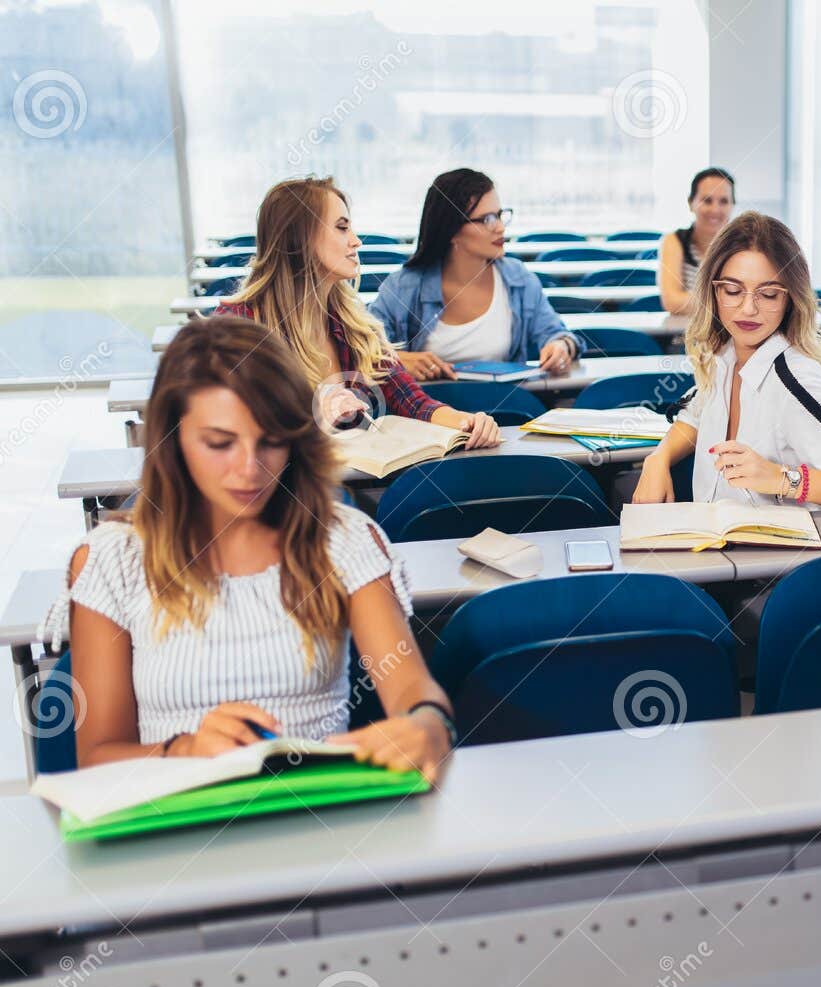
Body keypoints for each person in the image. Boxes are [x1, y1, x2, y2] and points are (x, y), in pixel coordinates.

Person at [41, 316, 456, 777]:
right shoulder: (111, 561)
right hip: (175, 828)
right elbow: (95, 758)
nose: (249, 469)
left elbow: (414, 691)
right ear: (172, 440)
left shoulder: (343, 540)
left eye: (272, 442)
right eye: (220, 443)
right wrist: (188, 750)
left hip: (321, 818)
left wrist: (428, 723)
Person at [634, 211, 821, 512]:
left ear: (789, 299)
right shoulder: (725, 353)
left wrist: (783, 479)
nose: (748, 309)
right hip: (720, 548)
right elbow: (695, 413)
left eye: (768, 294)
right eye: (732, 290)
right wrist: (658, 459)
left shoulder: (796, 379)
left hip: (784, 558)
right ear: (713, 291)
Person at [214, 176, 498, 448]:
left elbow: (409, 401)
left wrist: (465, 422)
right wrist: (309, 416)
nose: (356, 241)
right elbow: (228, 429)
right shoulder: (238, 327)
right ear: (300, 238)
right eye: (341, 227)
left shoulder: (353, 324)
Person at [369, 168, 582, 383]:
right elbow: (361, 347)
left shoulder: (518, 279)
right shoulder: (403, 287)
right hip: (427, 416)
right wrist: (397, 359)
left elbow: (558, 333)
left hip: (503, 412)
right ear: (452, 230)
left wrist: (561, 346)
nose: (500, 228)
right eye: (487, 219)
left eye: (500, 215)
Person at [657, 167, 735, 316]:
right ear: (691, 203)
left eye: (724, 201)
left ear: (732, 205)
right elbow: (672, 301)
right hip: (684, 336)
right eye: (707, 200)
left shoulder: (744, 246)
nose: (715, 209)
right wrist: (730, 303)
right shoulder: (674, 241)